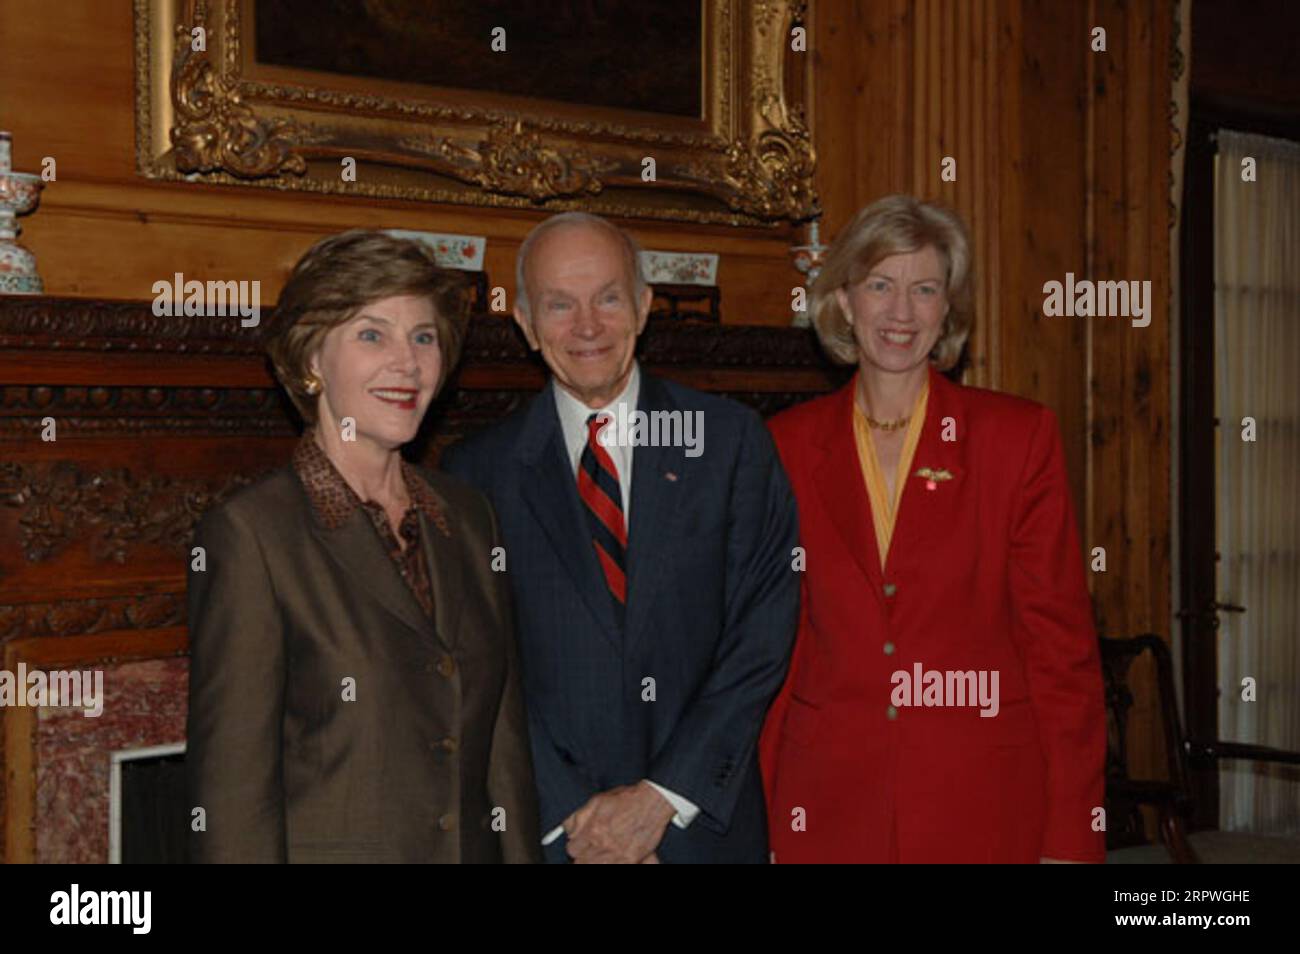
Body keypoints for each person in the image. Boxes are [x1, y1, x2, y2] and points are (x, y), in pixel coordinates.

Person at [442, 212, 798, 863]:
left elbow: (761, 637)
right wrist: (581, 825)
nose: (587, 326)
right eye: (559, 304)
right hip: (554, 839)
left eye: (608, 297)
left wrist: (659, 800)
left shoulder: (730, 443)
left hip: (701, 833)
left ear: (643, 306)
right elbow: (478, 666)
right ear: (524, 321)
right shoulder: (474, 475)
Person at [759, 195, 1106, 863]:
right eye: (880, 285)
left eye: (924, 289)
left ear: (948, 309)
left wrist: (1072, 837)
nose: (900, 312)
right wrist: (765, 823)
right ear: (843, 302)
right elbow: (777, 647)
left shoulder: (1017, 439)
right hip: (826, 803)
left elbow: (1061, 654)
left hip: (983, 801)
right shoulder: (785, 446)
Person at [186, 230, 540, 863]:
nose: (407, 363)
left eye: (423, 337)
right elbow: (232, 799)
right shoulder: (251, 535)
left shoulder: (468, 517)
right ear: (310, 360)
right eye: (372, 334)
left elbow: (504, 753)